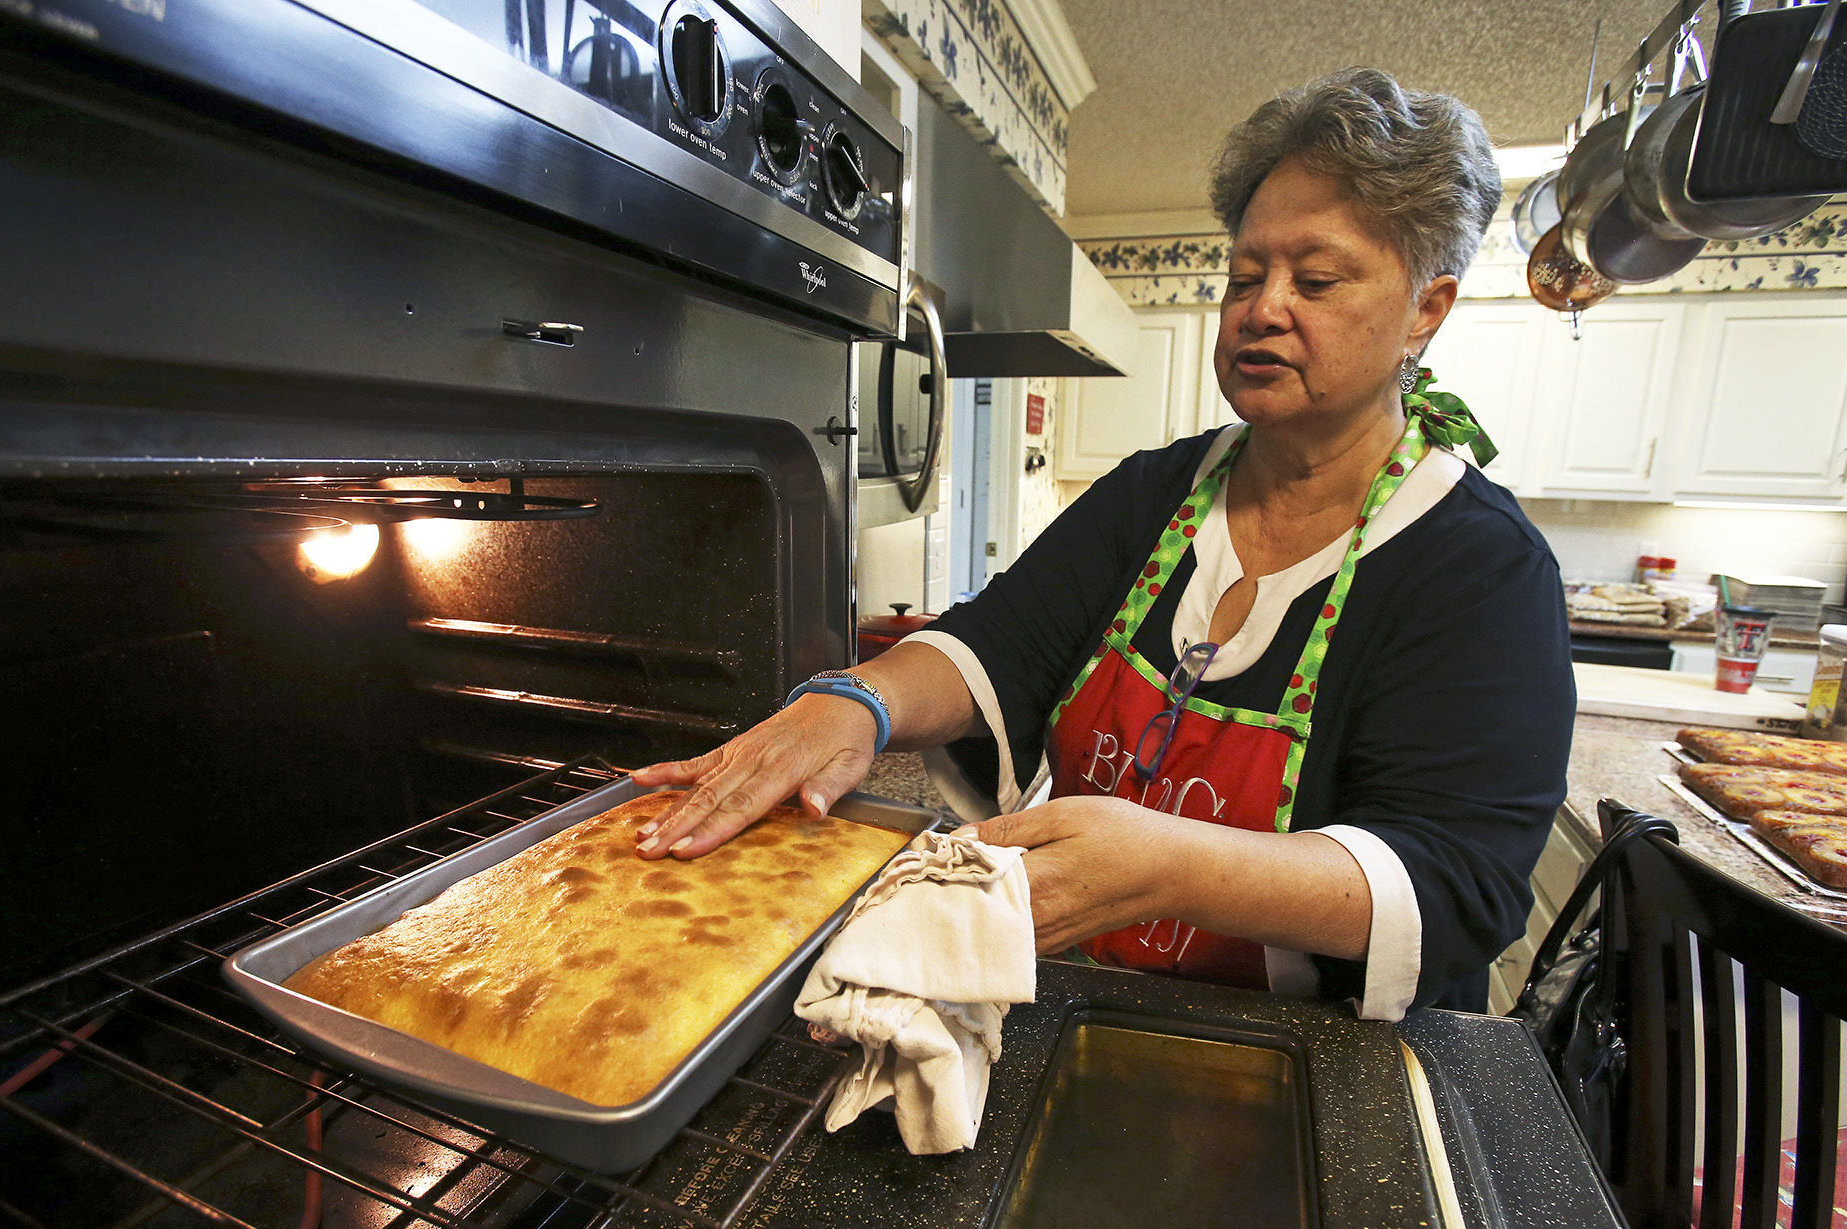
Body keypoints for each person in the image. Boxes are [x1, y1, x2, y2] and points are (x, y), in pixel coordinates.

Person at [631, 68, 1574, 1018]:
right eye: (1244, 276)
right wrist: (853, 704)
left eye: (1316, 280)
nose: (1263, 308)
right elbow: (998, 642)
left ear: (1426, 309)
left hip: (1313, 1063)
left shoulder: (1479, 567)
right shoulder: (1157, 495)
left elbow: (1461, 880)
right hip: (1082, 1012)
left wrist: (1174, 868)